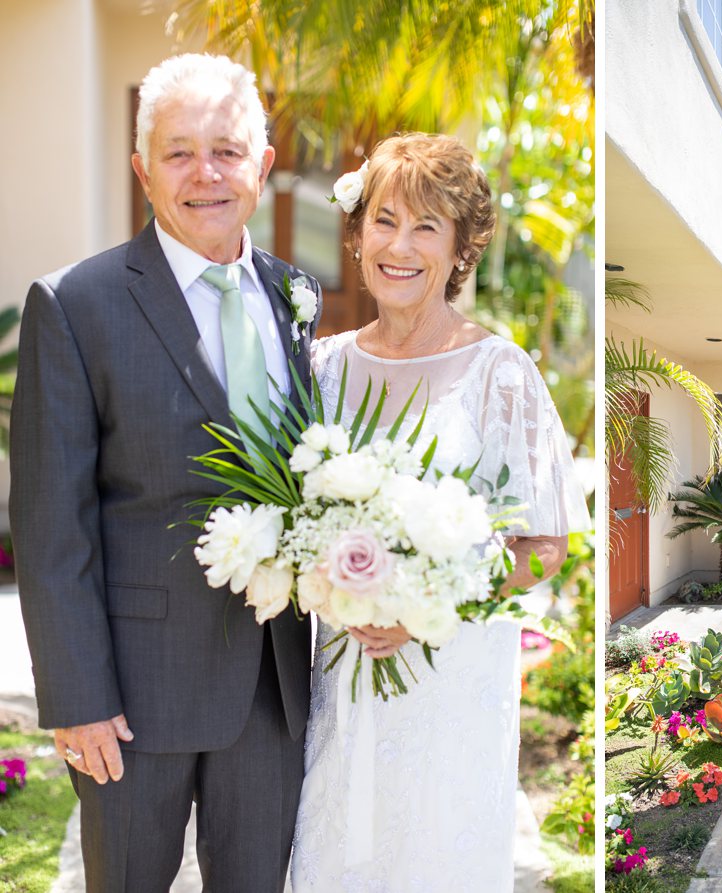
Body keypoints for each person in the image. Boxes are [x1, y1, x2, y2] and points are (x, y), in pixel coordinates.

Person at [11, 54, 320, 890]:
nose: (205, 173)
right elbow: (50, 522)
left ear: (262, 164)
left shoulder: (297, 295)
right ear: (143, 170)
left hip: (274, 688)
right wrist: (75, 695)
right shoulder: (75, 303)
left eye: (226, 148)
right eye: (179, 151)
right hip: (132, 698)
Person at [289, 132, 590, 891]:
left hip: (450, 685)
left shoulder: (501, 373)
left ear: (460, 249)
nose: (401, 245)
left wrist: (424, 603)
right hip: (343, 675)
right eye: (385, 219)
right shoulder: (321, 367)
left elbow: (544, 543)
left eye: (427, 226)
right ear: (356, 233)